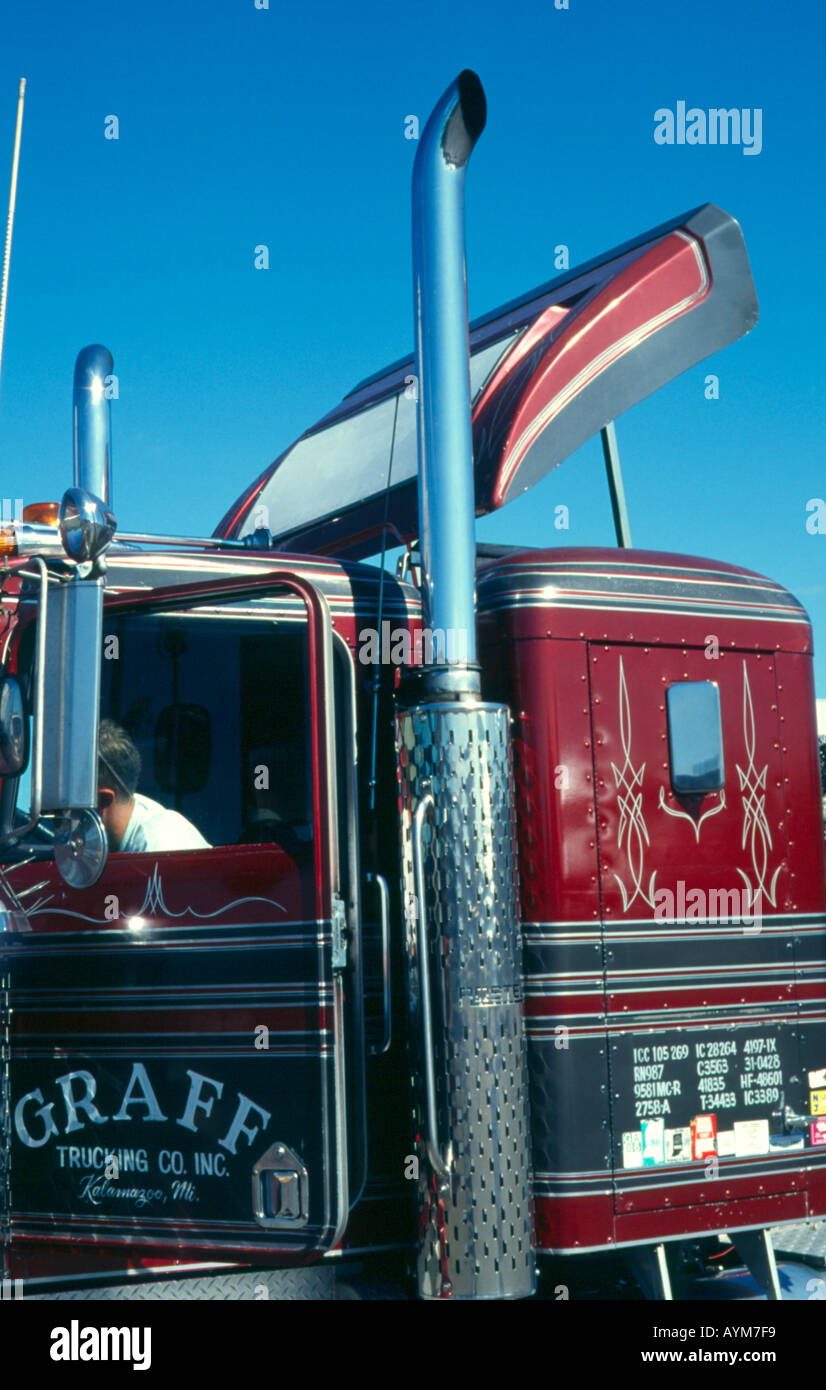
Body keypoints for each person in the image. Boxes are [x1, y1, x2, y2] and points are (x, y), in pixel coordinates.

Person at [97, 719, 210, 853]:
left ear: (103, 800)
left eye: (75, 806)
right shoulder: (136, 815)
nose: (67, 818)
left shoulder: (155, 847)